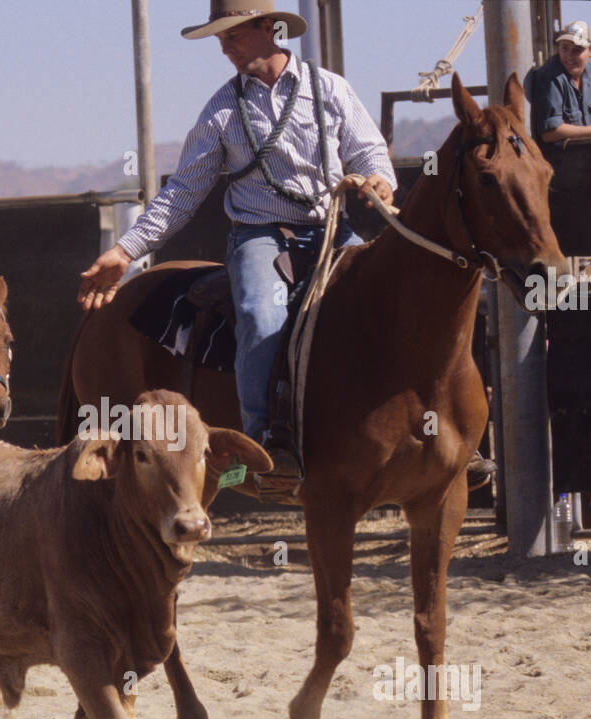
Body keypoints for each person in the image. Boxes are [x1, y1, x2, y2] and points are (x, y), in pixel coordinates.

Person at [77, 1, 395, 484]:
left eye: (233, 35)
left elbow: (369, 149)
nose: (224, 48)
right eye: (220, 39)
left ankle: (414, 426)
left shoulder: (329, 88)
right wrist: (125, 250)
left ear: (270, 28)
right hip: (259, 236)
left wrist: (379, 180)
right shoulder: (221, 110)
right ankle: (264, 442)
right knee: (260, 311)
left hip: (330, 230)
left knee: (392, 296)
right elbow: (182, 192)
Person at [530, 20, 591, 144]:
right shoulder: (550, 77)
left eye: (577, 50)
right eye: (564, 48)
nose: (569, 56)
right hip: (560, 157)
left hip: (589, 152)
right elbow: (549, 133)